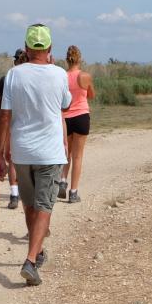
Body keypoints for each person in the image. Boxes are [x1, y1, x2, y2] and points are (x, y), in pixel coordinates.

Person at [0, 24, 71, 287]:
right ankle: (29, 260)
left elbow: (4, 115)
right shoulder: (59, 74)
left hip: (22, 150)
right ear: (49, 49)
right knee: (44, 206)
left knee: (30, 205)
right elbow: (65, 104)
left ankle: (37, 252)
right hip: (49, 151)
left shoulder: (14, 75)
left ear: (26, 49)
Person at [60, 45, 95, 203]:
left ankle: (62, 180)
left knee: (66, 153)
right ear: (79, 58)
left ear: (67, 59)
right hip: (81, 116)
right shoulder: (85, 76)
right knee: (78, 156)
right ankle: (73, 193)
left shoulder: (62, 76)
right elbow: (91, 95)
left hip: (66, 118)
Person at [0, 48, 28, 209]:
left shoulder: (7, 78)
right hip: (29, 122)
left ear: (16, 60)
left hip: (11, 122)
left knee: (13, 158)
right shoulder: (33, 78)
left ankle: (14, 194)